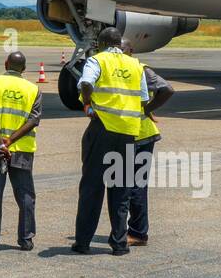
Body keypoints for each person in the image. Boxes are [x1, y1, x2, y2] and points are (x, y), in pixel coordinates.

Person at [73, 27, 149, 257]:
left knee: (92, 187)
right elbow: (144, 98)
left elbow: (86, 83)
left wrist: (87, 104)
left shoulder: (97, 60)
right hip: (127, 132)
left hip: (102, 128)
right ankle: (119, 243)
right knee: (121, 189)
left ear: (101, 43)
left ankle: (84, 242)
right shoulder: (135, 65)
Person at [0, 50, 42, 252]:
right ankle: (26, 239)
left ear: (6, 64)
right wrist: (12, 140)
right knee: (25, 196)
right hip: (22, 149)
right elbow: (34, 120)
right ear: (23, 69)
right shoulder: (34, 89)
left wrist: (1, 144)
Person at [124, 40, 175, 248]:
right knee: (130, 183)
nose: (119, 53)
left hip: (140, 135)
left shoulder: (140, 69)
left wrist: (147, 109)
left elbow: (167, 89)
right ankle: (135, 230)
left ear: (131, 51)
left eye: (123, 49)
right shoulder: (120, 70)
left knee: (134, 184)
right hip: (134, 134)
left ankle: (137, 233)